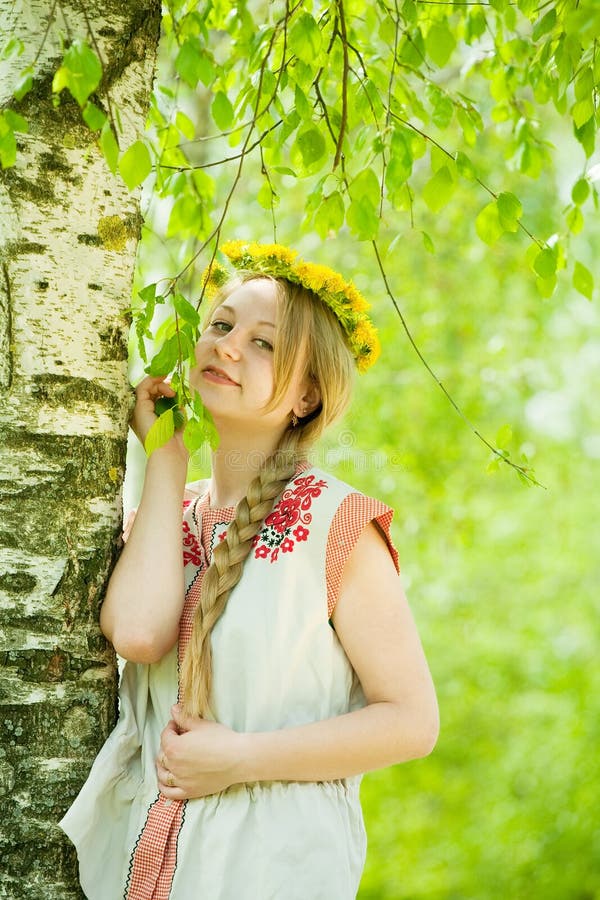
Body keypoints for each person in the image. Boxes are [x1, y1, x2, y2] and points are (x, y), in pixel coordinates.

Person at [60, 241, 439, 900]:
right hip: (141, 863)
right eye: (222, 325)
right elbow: (140, 637)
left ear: (307, 396)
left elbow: (411, 721)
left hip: (273, 869)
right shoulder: (166, 507)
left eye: (264, 344)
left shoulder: (337, 525)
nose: (228, 346)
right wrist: (167, 460)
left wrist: (240, 759)